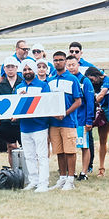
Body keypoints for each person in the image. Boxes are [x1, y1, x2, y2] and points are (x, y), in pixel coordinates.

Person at [46, 51, 83, 190]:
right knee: (59, 151)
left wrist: (65, 113)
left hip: (68, 122)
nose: (58, 62)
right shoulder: (50, 80)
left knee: (70, 151)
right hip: (54, 122)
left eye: (61, 60)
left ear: (65, 62)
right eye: (55, 60)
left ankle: (71, 179)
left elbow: (78, 101)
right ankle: (62, 177)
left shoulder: (72, 79)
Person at [18, 59, 55, 191]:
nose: (27, 72)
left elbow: (46, 104)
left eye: (29, 69)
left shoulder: (43, 85)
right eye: (25, 70)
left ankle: (43, 183)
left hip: (40, 126)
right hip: (24, 126)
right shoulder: (18, 87)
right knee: (29, 156)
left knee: (42, 156)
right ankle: (33, 180)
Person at [0, 58, 23, 154]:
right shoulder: (0, 87)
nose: (10, 69)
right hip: (6, 123)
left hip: (21, 122)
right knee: (11, 148)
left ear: (16, 68)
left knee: (26, 147)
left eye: (12, 67)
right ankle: (14, 168)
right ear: (4, 69)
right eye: (8, 67)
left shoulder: (22, 84)